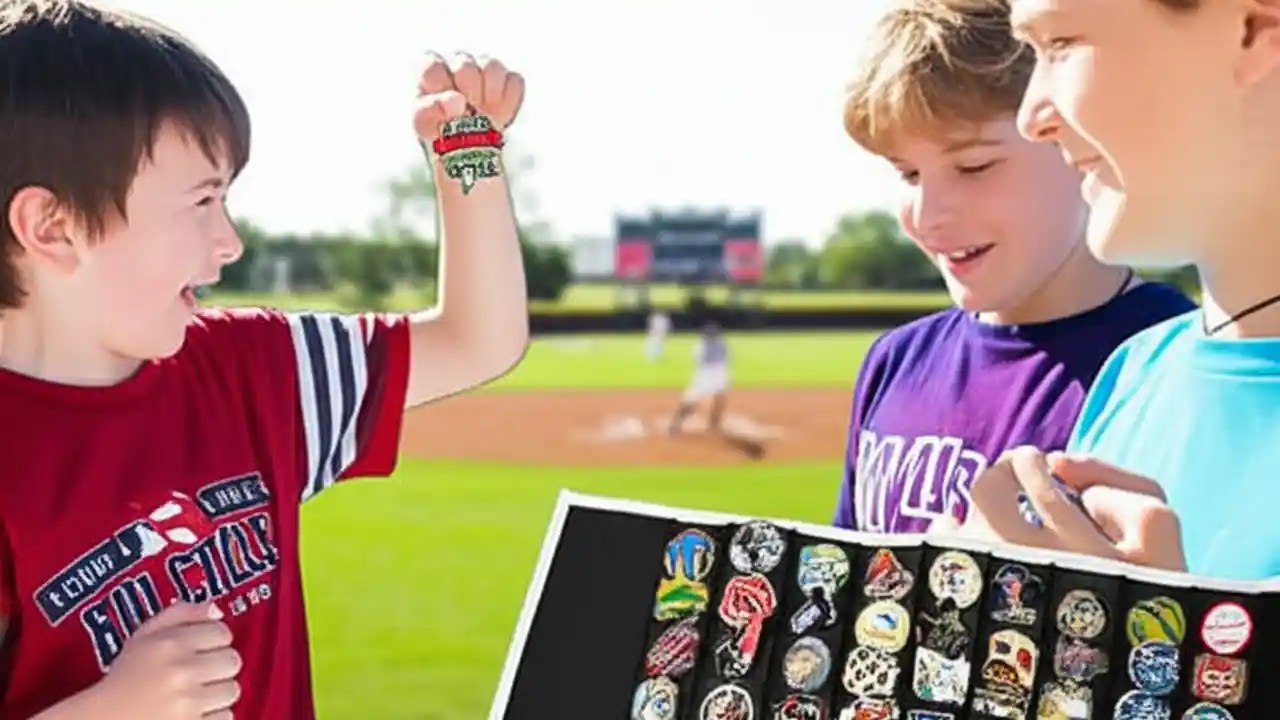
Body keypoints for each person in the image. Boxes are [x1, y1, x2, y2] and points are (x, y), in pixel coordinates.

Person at [0, 2, 529, 717]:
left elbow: (478, 338)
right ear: (53, 228)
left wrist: (467, 153)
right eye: (202, 201)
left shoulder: (253, 370)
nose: (230, 242)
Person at [830, 0, 1195, 534]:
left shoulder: (1175, 365)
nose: (929, 216)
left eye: (974, 166)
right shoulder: (895, 361)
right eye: (908, 174)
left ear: (1074, 139)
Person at [952, 0, 1280, 581]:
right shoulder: (1137, 370)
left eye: (1061, 44)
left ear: (1254, 30)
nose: (1032, 116)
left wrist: (1150, 643)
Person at [670, 320, 731, 435]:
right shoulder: (700, 346)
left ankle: (714, 425)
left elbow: (724, 361)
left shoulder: (722, 344)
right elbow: (702, 363)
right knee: (691, 402)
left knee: (719, 399)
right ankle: (676, 423)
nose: (712, 334)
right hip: (702, 376)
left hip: (718, 375)